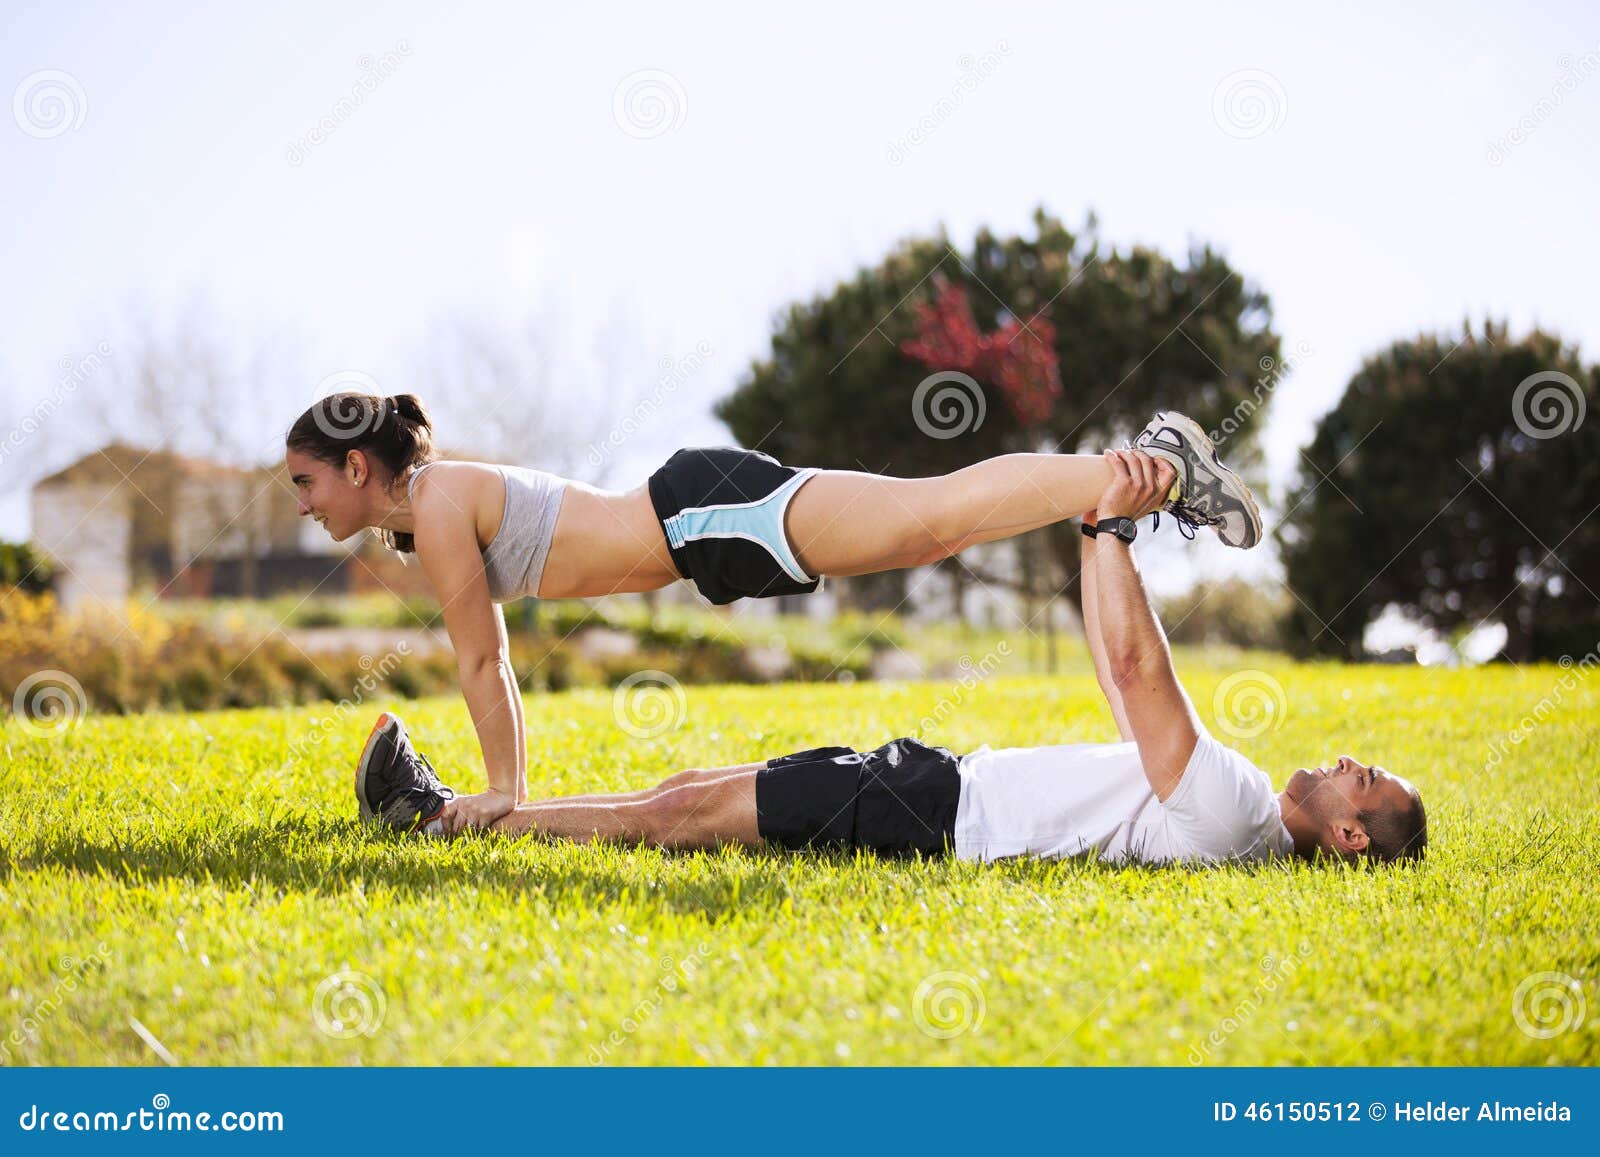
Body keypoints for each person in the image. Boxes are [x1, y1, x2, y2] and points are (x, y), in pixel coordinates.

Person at [351, 446, 1427, 865]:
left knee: (684, 806)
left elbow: (1140, 677)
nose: (1347, 760)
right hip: (935, 787)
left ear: (1348, 834)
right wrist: (1104, 532)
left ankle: (445, 818)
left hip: (933, 808)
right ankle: (457, 815)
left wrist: (1111, 513)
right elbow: (1123, 678)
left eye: (1363, 778)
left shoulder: (1238, 813)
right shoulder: (1231, 815)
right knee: (685, 799)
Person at [290, 394, 1260, 830]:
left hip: (700, 516)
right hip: (700, 530)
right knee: (930, 526)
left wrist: (505, 788)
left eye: (306, 481)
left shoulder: (439, 501)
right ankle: (1138, 473)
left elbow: (482, 659)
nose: (302, 504)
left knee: (932, 516)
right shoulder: (422, 518)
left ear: (357, 465)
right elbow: (486, 652)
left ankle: (1153, 466)